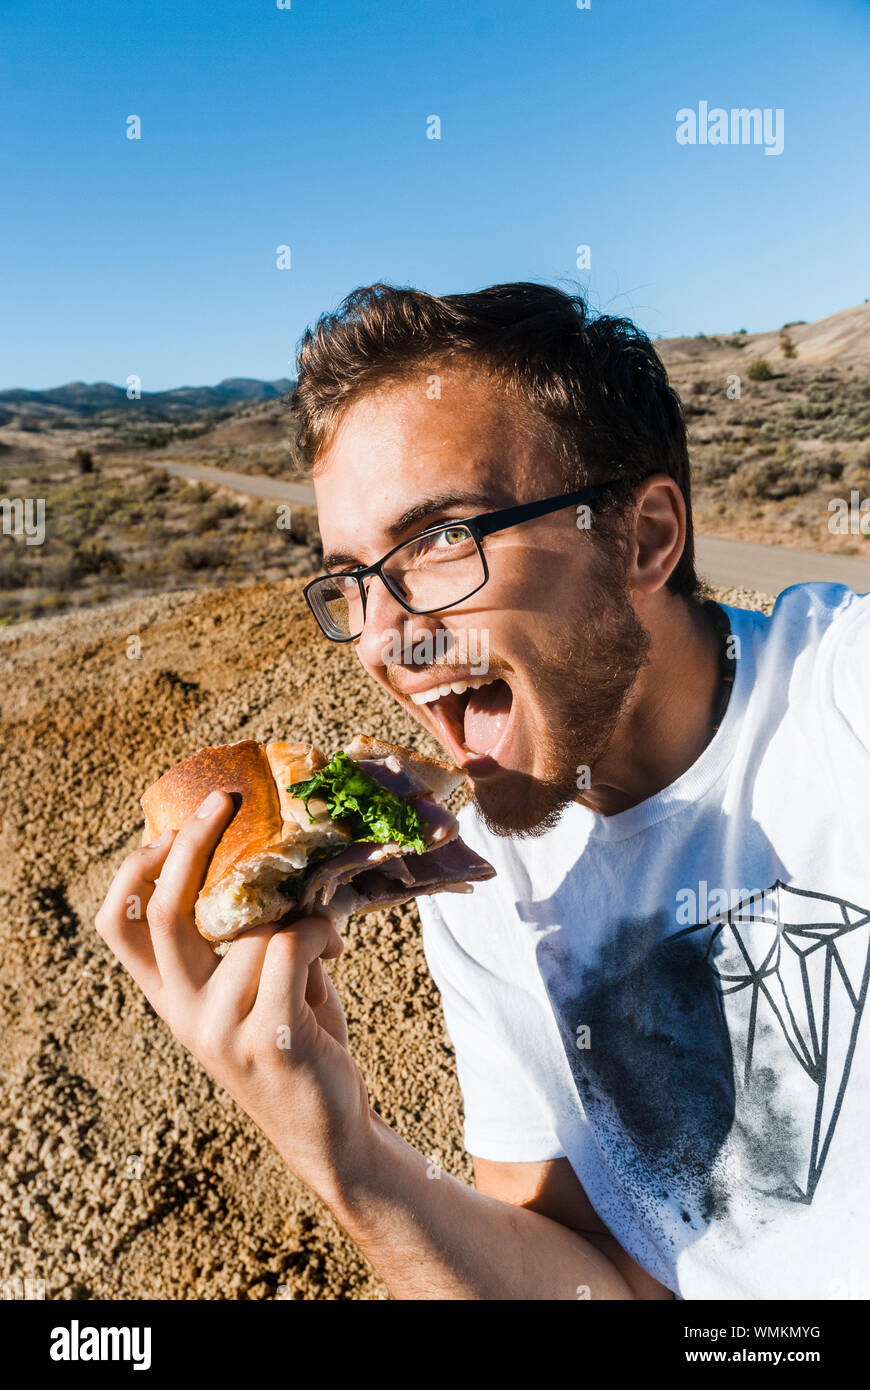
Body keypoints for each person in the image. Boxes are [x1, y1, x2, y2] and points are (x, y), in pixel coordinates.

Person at [96, 282, 870, 1300]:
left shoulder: (841, 699)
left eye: (442, 541)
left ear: (643, 539)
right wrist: (347, 1158)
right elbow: (608, 1280)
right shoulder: (480, 879)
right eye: (354, 579)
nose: (379, 640)